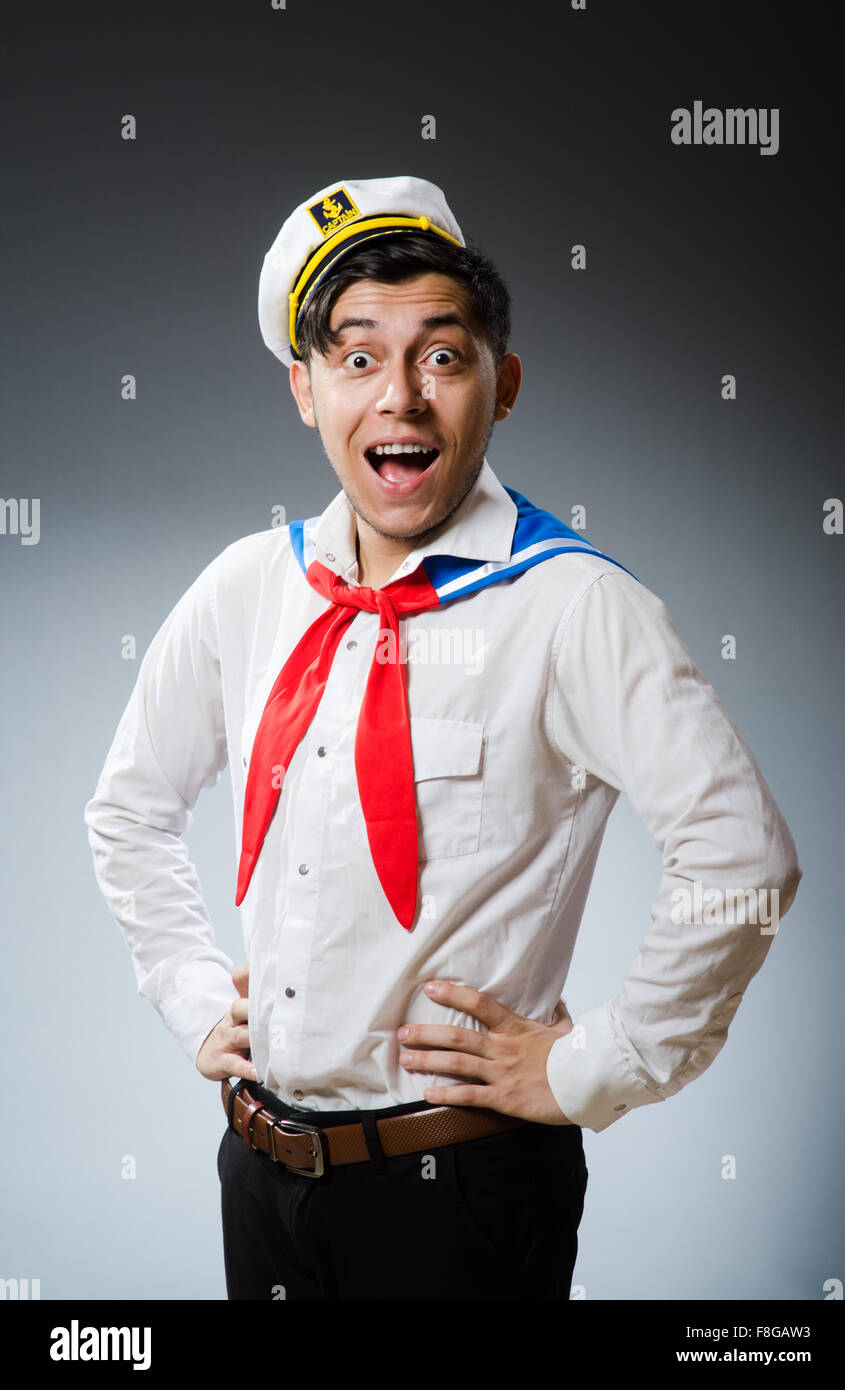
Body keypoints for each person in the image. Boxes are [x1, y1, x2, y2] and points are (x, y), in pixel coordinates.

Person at [84, 174, 802, 1302]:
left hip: (459, 1189)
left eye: (443, 356)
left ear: (501, 384)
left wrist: (593, 1064)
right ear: (306, 390)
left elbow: (744, 858)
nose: (401, 400)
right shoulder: (246, 588)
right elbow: (126, 808)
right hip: (260, 1177)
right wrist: (184, 988)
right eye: (357, 357)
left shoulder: (572, 604)